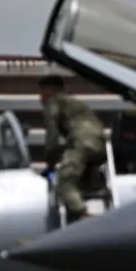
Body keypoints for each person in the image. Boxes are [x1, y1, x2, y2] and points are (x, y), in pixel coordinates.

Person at [39, 74, 107, 223]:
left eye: (42, 92)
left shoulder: (54, 102)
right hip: (99, 144)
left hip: (82, 143)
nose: (40, 98)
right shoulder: (73, 103)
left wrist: (49, 164)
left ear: (49, 91)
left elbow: (52, 135)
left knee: (64, 179)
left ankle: (81, 214)